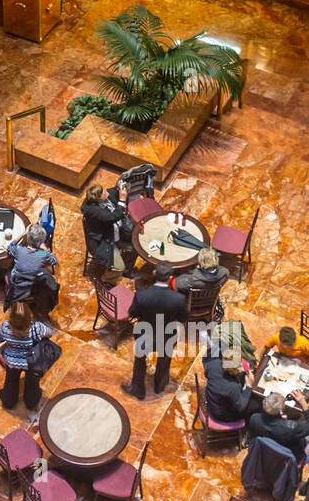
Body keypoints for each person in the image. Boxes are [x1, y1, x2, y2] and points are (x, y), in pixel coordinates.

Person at [123, 261, 188, 399]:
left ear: (154, 274)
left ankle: (137, 389)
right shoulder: (179, 299)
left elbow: (132, 313)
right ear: (170, 278)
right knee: (164, 361)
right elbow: (183, 318)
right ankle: (160, 386)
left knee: (140, 361)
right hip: (167, 337)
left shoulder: (142, 295)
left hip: (145, 335)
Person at [0, 300, 56, 411]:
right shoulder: (36, 328)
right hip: (31, 362)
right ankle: (31, 402)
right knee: (32, 382)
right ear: (30, 316)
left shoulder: (5, 327)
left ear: (11, 318)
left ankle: (8, 401)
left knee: (11, 380)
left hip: (12, 362)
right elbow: (49, 333)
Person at [6, 224, 58, 317]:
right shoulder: (43, 255)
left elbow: (10, 246)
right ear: (41, 241)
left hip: (17, 285)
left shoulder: (19, 250)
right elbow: (54, 261)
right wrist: (45, 248)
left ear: (28, 238)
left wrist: (23, 234)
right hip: (33, 286)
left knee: (9, 269)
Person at [81, 181, 131, 277]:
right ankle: (108, 280)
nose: (106, 190)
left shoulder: (102, 197)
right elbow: (113, 217)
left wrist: (120, 186)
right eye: (103, 192)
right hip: (103, 241)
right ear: (99, 199)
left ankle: (127, 269)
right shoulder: (95, 211)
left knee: (136, 245)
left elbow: (111, 190)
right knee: (119, 267)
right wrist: (122, 200)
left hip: (115, 231)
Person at [204, 346, 261, 424]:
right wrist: (248, 386)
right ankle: (248, 425)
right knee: (257, 404)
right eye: (240, 366)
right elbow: (240, 407)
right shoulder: (232, 387)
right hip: (222, 414)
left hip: (213, 401)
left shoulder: (214, 363)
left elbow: (206, 374)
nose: (242, 368)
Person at [248, 392, 309, 462]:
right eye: (284, 403)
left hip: (263, 453)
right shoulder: (291, 428)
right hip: (286, 459)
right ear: (281, 412)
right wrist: (305, 406)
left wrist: (280, 420)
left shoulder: (254, 418)